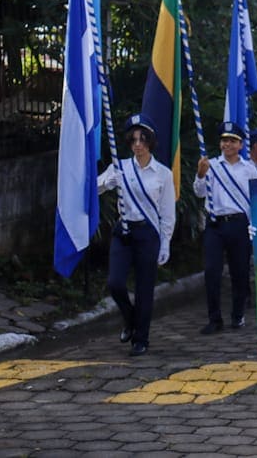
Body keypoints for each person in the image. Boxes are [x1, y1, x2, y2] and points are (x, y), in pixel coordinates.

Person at [98, 114, 175, 356]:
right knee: (115, 283)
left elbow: (167, 213)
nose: (138, 145)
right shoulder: (120, 167)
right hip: (124, 232)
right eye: (133, 140)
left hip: (148, 234)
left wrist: (165, 243)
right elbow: (95, 189)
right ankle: (129, 319)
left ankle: (141, 338)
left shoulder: (163, 174)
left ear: (150, 142)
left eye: (142, 139)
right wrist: (110, 180)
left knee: (144, 289)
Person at [194, 122, 257, 335]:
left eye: (232, 140)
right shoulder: (211, 164)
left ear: (240, 144)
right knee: (211, 271)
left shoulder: (250, 169)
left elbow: (256, 199)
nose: (227, 144)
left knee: (239, 272)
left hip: (240, 223)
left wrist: (253, 226)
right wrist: (201, 175)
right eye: (224, 140)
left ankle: (237, 314)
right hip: (216, 224)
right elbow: (199, 193)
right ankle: (214, 318)